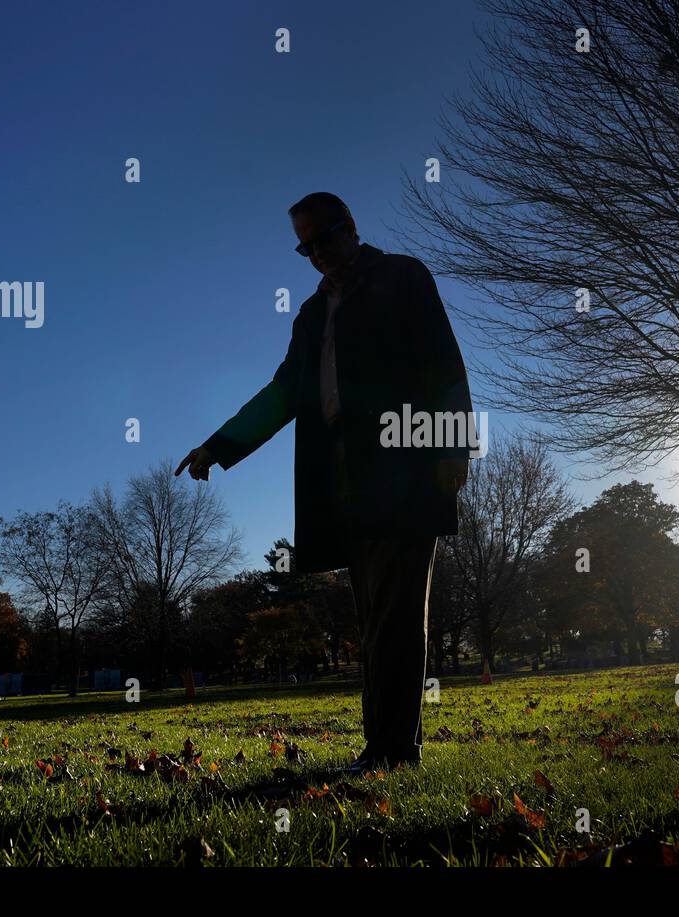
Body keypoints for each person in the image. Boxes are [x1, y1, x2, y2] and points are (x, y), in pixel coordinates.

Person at [175, 192, 475, 774]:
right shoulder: (311, 316)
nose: (316, 254)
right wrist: (218, 444)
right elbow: (285, 392)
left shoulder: (402, 276)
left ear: (352, 226)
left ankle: (391, 752)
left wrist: (452, 447)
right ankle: (388, 748)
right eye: (304, 246)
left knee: (395, 615)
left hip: (407, 465)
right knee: (374, 622)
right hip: (344, 482)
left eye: (325, 239)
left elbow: (445, 363)